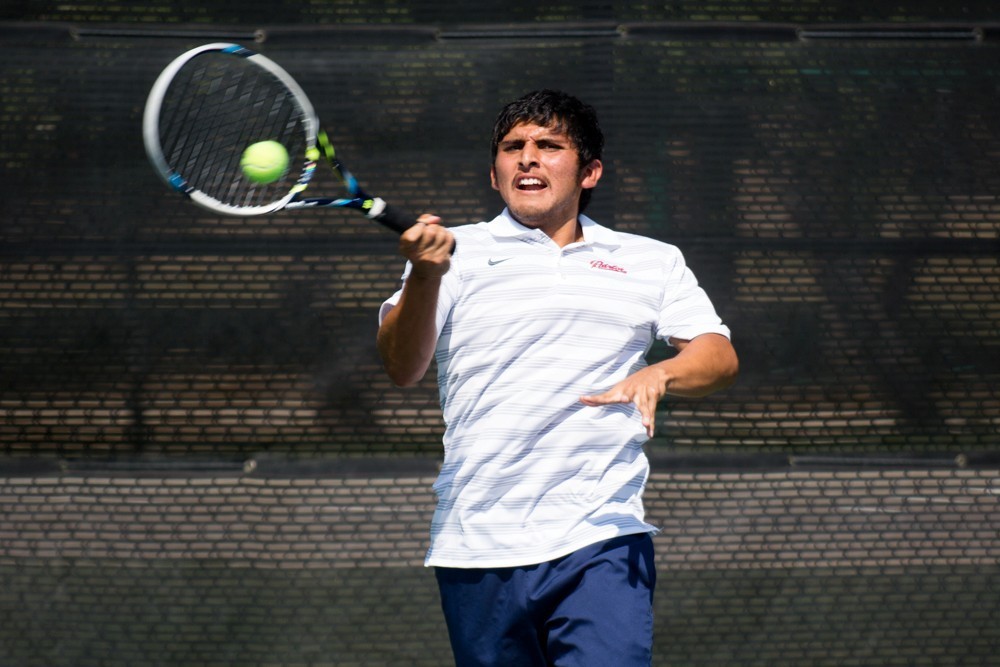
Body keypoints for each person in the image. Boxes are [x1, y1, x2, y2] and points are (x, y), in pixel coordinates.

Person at [377, 89, 738, 666]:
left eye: (549, 146)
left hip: (602, 537)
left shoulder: (651, 259)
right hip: (477, 544)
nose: (527, 157)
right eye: (513, 146)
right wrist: (424, 275)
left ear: (589, 171)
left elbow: (717, 353)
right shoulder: (455, 252)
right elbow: (402, 365)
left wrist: (662, 373)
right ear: (495, 175)